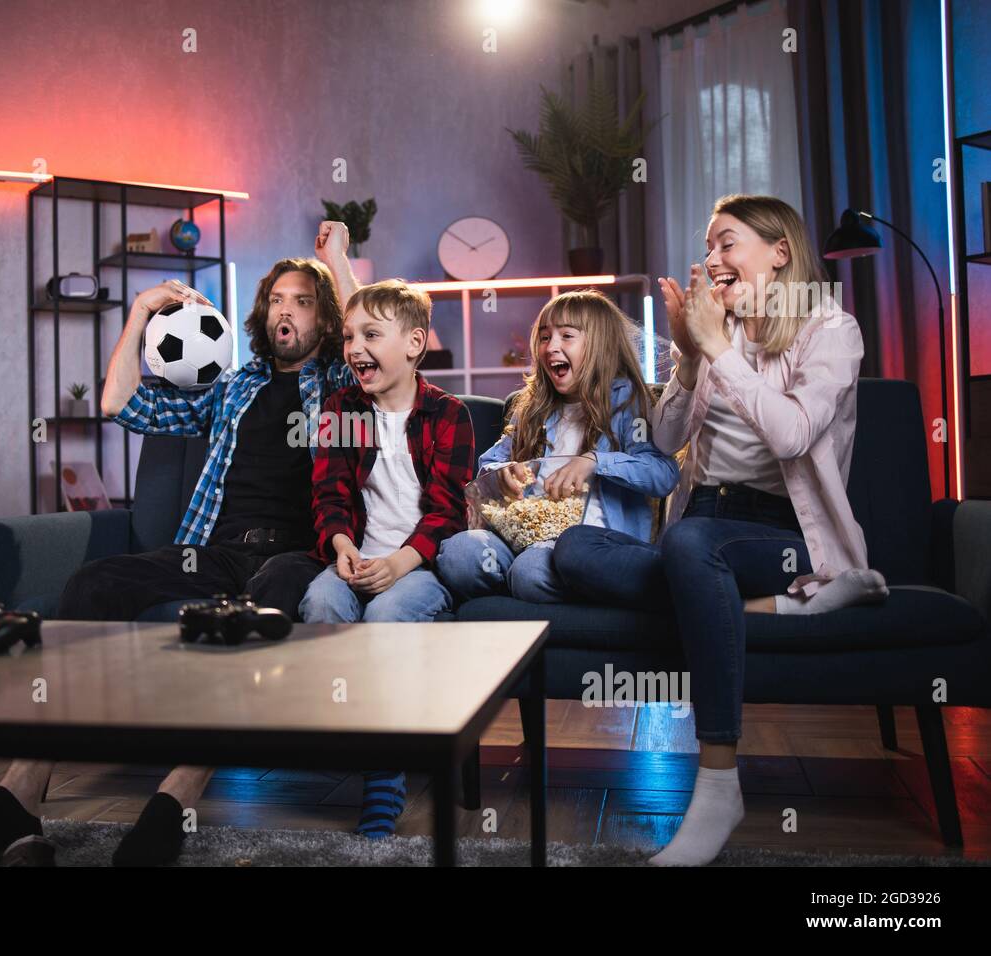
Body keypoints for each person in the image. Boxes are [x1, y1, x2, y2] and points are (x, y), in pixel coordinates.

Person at [0, 221, 361, 866]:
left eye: (304, 300)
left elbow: (362, 334)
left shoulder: (343, 385)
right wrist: (143, 312)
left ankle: (172, 802)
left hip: (300, 555)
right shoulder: (234, 387)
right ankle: (18, 793)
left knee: (251, 615)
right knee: (92, 583)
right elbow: (122, 403)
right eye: (278, 300)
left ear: (325, 316)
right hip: (215, 548)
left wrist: (335, 260)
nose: (286, 311)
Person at [551, 195, 887, 866]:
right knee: (574, 548)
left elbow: (792, 433)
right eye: (709, 247)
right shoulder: (716, 335)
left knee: (688, 546)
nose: (712, 260)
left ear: (779, 252)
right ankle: (799, 600)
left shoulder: (831, 329)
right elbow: (668, 442)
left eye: (727, 243)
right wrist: (689, 355)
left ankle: (718, 782)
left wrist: (716, 350)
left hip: (778, 535)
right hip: (699, 527)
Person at [298, 280, 474, 838]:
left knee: (386, 618)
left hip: (421, 569)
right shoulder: (339, 409)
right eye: (349, 336)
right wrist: (342, 547)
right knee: (321, 599)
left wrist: (402, 562)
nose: (354, 349)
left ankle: (384, 778)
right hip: (357, 557)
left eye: (371, 334)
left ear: (415, 342)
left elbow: (448, 513)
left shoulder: (449, 414)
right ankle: (363, 733)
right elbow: (328, 497)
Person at [436, 290, 677, 603]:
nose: (552, 347)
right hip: (518, 537)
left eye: (567, 336)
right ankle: (514, 585)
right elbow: (490, 462)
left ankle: (526, 583)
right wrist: (501, 474)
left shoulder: (627, 403)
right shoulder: (533, 407)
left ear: (600, 345)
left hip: (584, 546)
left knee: (531, 570)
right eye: (545, 337)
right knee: (459, 554)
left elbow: (662, 473)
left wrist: (595, 461)